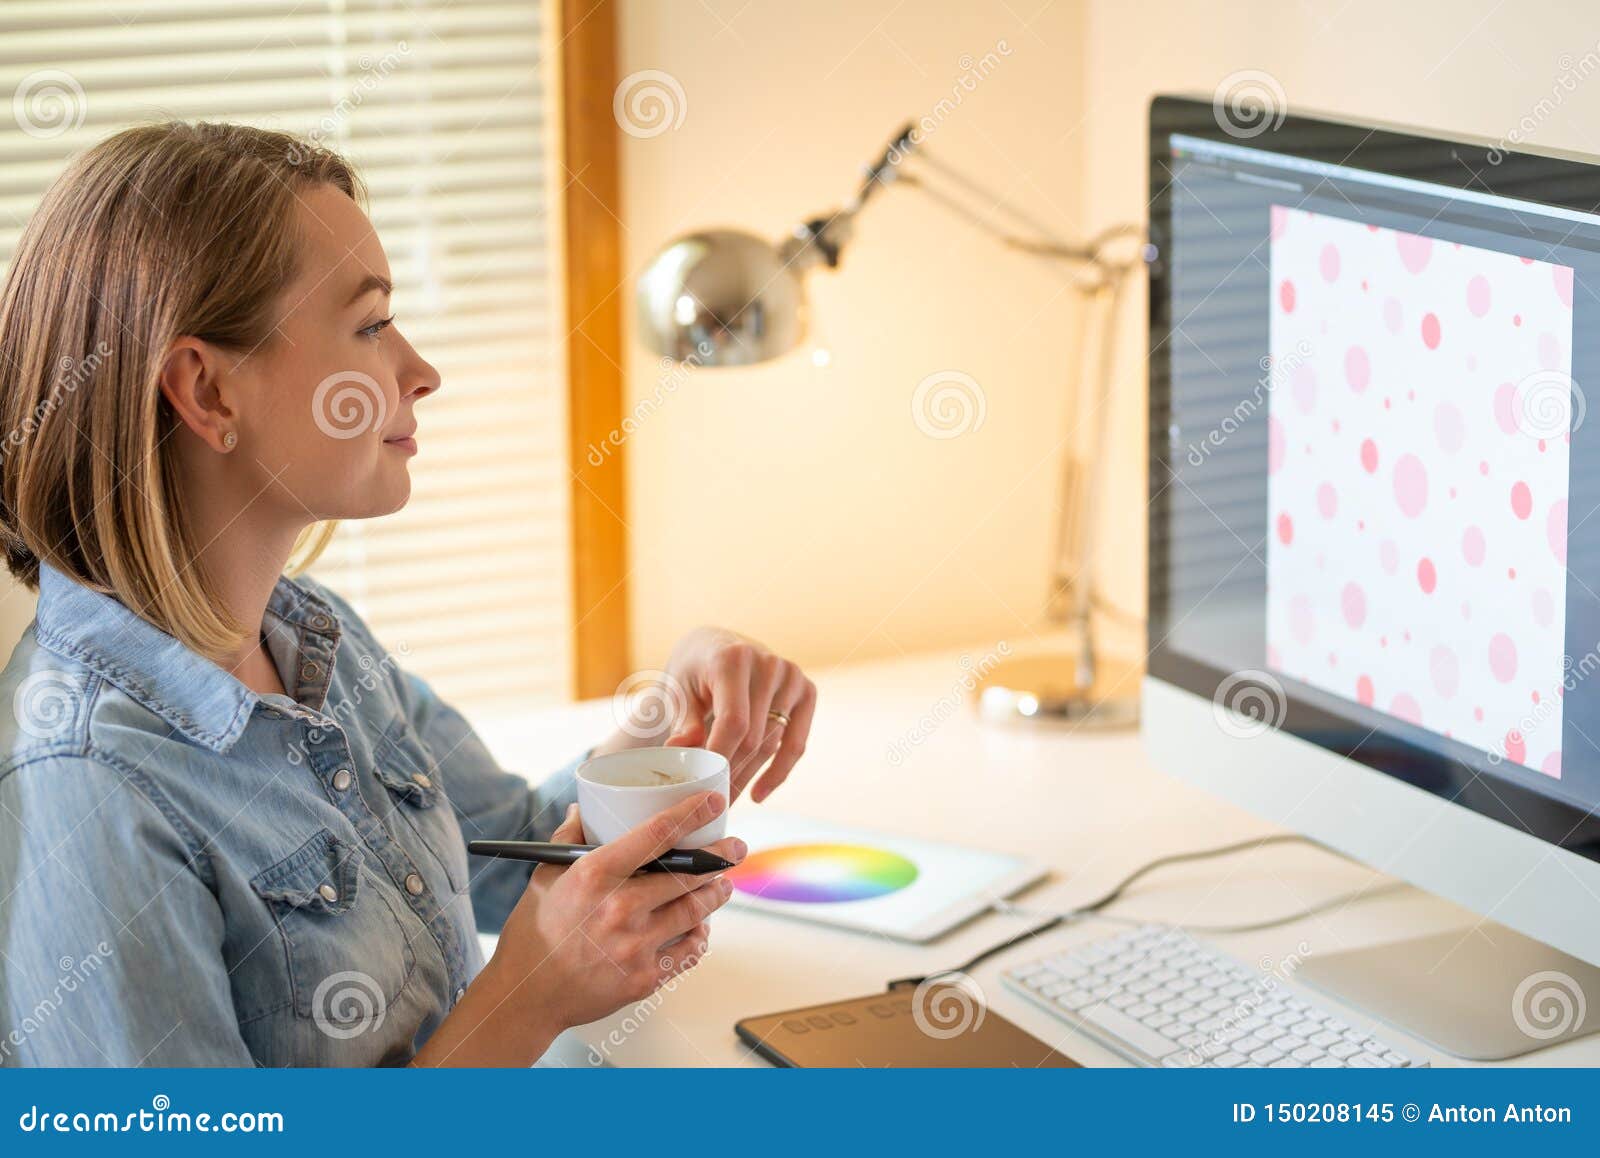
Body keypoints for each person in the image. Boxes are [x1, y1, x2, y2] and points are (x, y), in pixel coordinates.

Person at [0, 122, 816, 1067]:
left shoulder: (310, 637)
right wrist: (524, 998)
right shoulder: (84, 788)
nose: (420, 372)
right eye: (372, 325)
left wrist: (675, 702)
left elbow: (515, 851)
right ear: (208, 393)